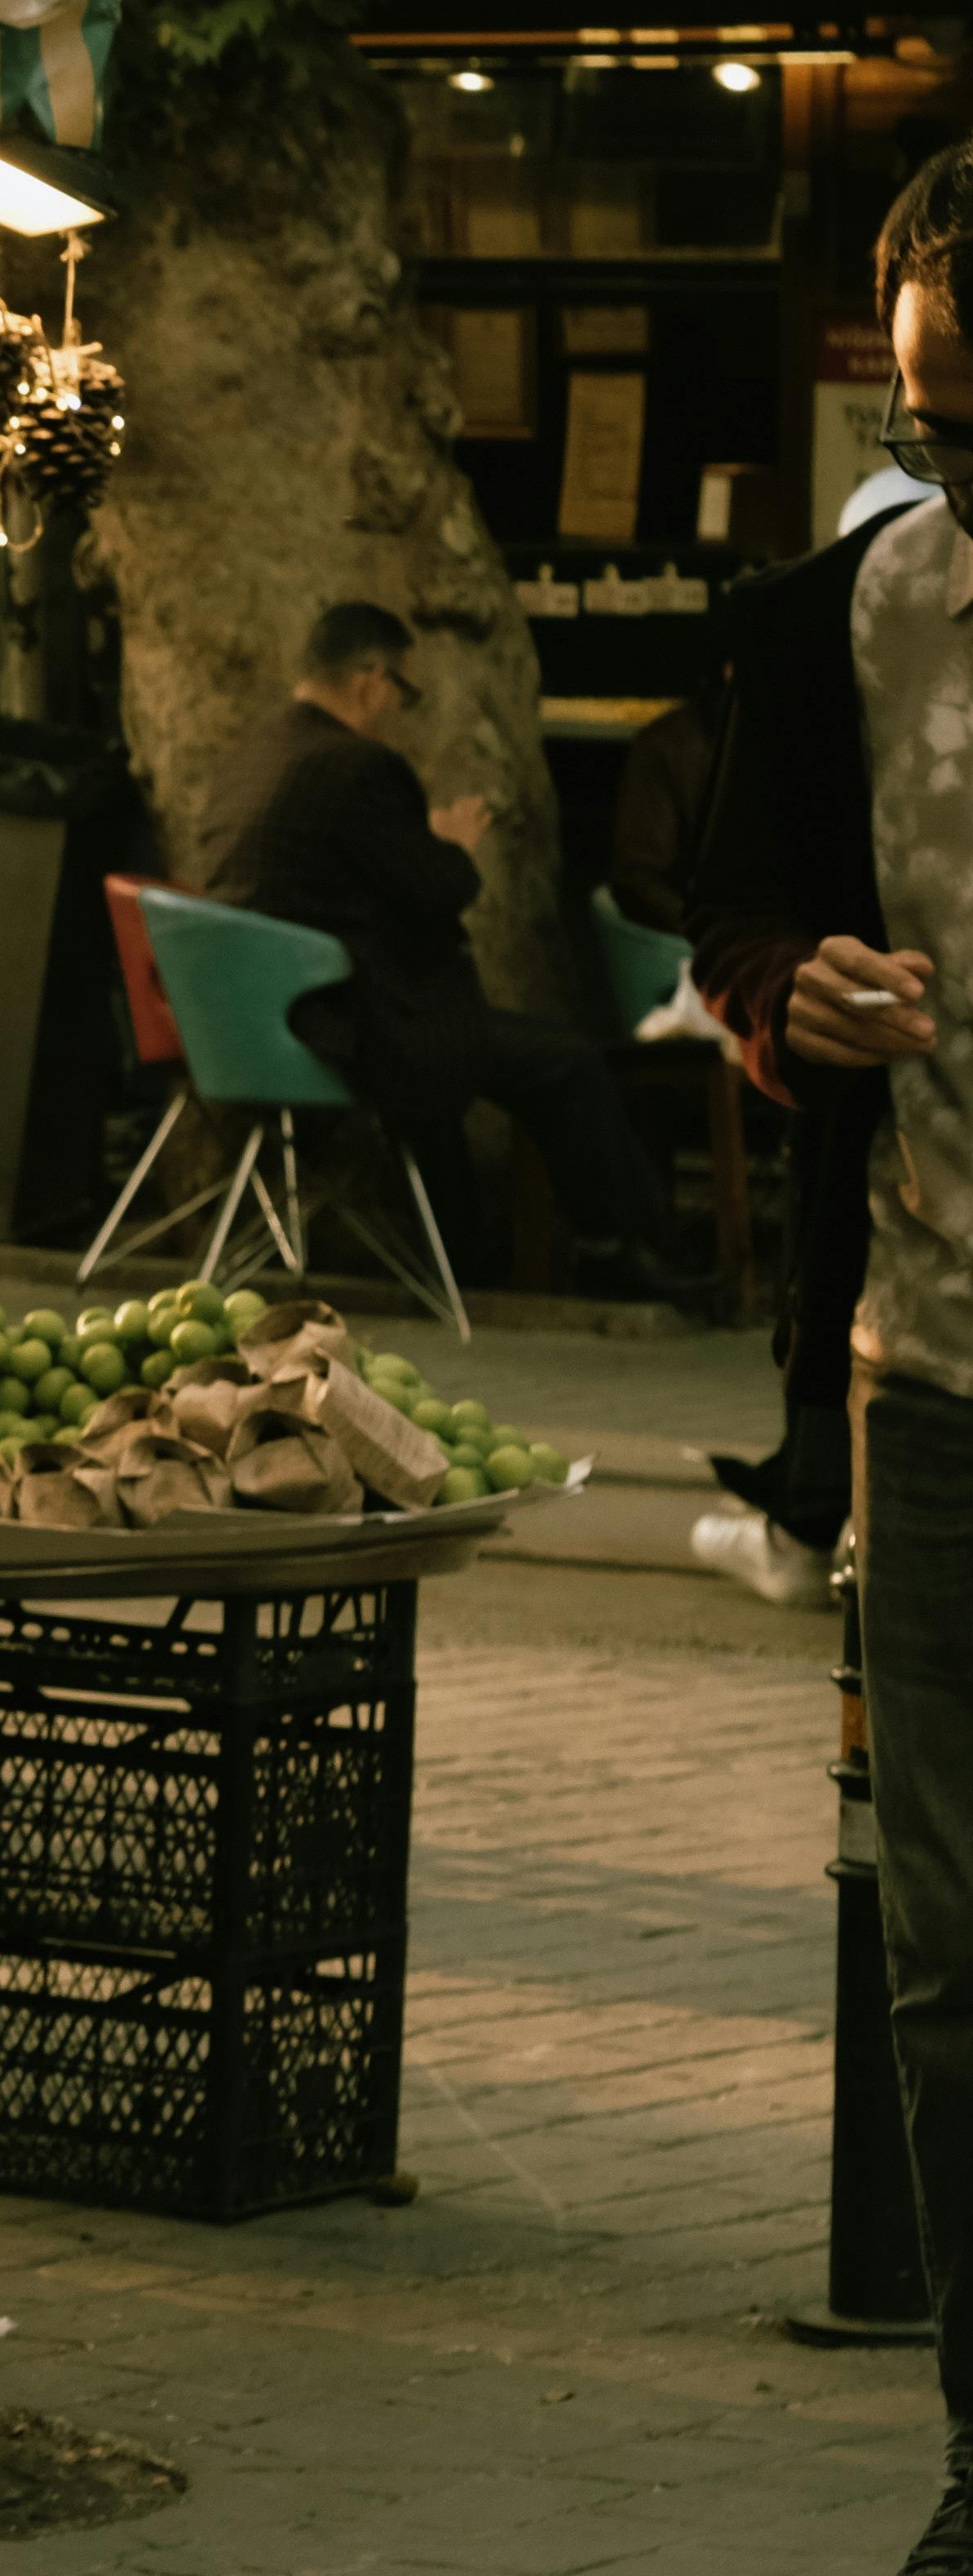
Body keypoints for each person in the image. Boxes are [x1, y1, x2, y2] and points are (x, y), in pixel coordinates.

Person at [691, 144, 973, 2576]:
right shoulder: (840, 616)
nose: (959, 472)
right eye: (934, 420)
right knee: (945, 1963)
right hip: (935, 1362)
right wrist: (789, 990)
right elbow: (733, 901)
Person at [206, 600, 686, 1301]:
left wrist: (412, 835)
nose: (397, 709)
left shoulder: (254, 754)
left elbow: (337, 863)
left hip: (242, 1026)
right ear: (372, 680)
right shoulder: (360, 765)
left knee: (471, 1048)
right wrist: (454, 844)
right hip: (343, 1029)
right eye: (402, 691)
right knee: (566, 1061)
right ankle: (618, 1248)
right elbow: (436, 891)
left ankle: (468, 1255)